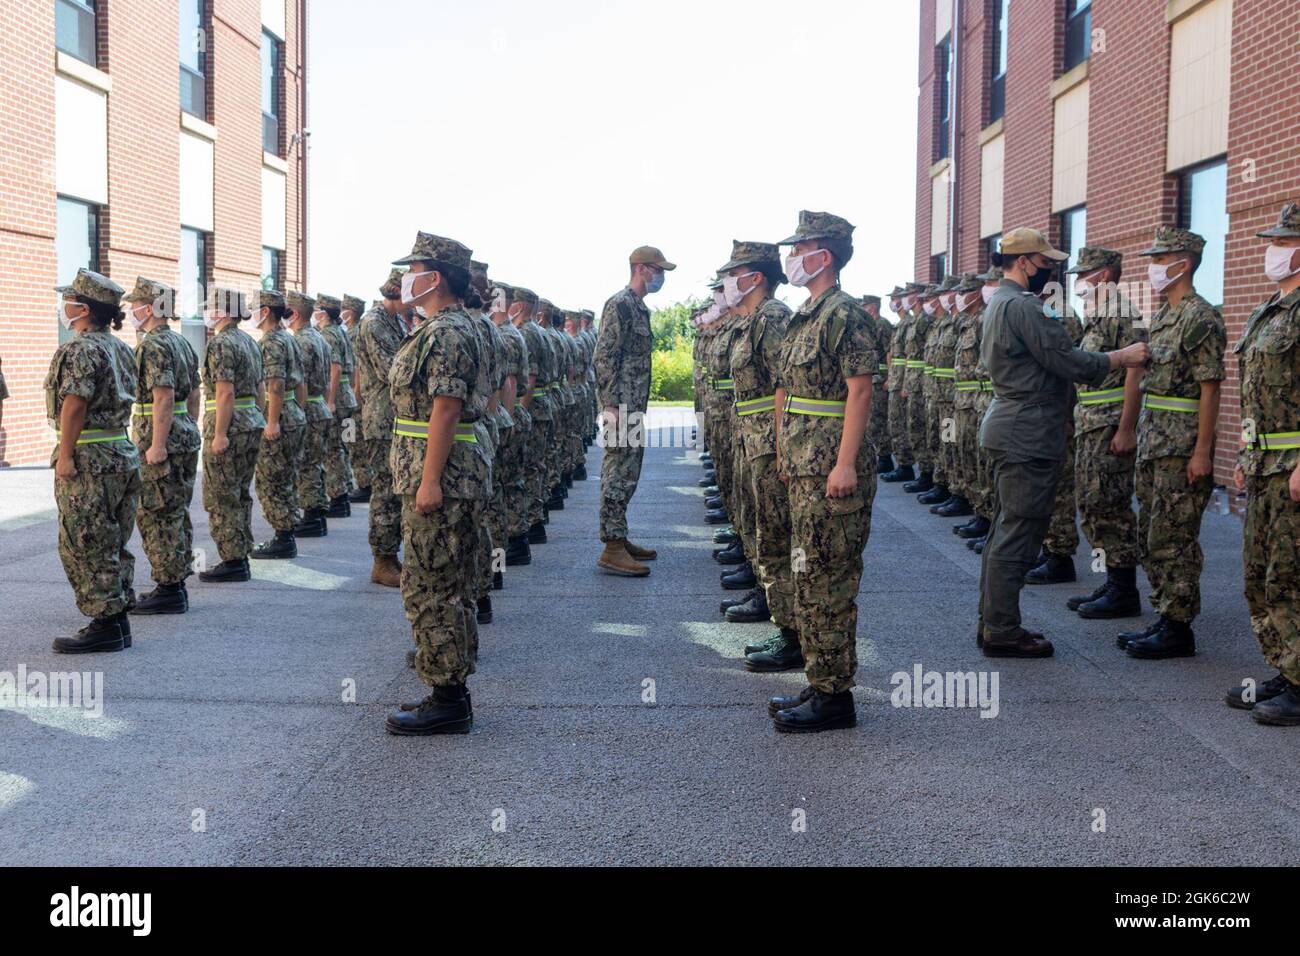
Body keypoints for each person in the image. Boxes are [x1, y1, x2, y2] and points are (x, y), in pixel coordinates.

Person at [976, 228, 1149, 658]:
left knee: (1005, 529)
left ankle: (993, 622)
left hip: (1013, 426)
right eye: (1045, 263)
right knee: (1017, 534)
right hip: (1027, 430)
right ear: (1024, 263)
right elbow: (1065, 360)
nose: (1052, 271)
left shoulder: (1000, 302)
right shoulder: (1024, 307)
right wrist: (1120, 358)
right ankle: (1002, 629)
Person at [766, 211, 882, 733]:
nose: (792, 257)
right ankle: (821, 680)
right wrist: (787, 456)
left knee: (830, 578)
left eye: (802, 247)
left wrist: (845, 463)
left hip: (831, 470)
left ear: (824, 256)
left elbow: (860, 390)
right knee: (808, 574)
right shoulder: (806, 313)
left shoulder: (845, 314)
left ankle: (836, 698)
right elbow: (788, 393)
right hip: (806, 467)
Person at [383, 232, 487, 736]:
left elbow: (445, 408)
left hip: (441, 477)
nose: (407, 276)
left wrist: (428, 482)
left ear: (436, 278)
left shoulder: (445, 332)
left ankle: (447, 698)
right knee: (451, 582)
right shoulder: (454, 326)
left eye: (415, 267)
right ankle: (450, 684)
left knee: (431, 584)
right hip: (451, 473)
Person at [1117, 227, 1225, 659]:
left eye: (1162, 257)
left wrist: (1202, 451)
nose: (1154, 266)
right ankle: (1165, 615)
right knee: (1155, 532)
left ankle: (1179, 627)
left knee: (1175, 536)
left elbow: (1210, 387)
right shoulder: (1164, 315)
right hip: (1155, 438)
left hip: (1180, 446)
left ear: (1184, 263)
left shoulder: (1199, 316)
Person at [1230, 201, 1300, 724]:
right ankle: (1285, 665)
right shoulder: (1267, 311)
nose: (1272, 251)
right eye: (1272, 242)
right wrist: (1241, 453)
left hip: (1293, 462)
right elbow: (1252, 395)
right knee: (1261, 573)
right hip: (1262, 463)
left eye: (1282, 242)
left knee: (1290, 572)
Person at [46, 269, 141, 652]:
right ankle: (116, 621)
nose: (63, 306)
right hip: (119, 453)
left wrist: (65, 455)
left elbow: (75, 404)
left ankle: (105, 622)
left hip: (89, 457)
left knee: (84, 541)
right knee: (112, 539)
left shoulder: (81, 348)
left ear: (82, 308)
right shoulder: (120, 347)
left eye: (68, 300)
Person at [1060, 247, 1145, 618]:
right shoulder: (1099, 315)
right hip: (1092, 423)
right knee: (1093, 504)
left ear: (1106, 274)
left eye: (1087, 273)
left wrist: (1126, 428)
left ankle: (1124, 589)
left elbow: (1135, 372)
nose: (1080, 281)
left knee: (1110, 504)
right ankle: (1110, 582)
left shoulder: (1122, 312)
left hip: (1110, 424)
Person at [594, 245, 674, 576]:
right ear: (641, 268)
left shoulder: (639, 308)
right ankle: (612, 546)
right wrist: (609, 405)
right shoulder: (620, 305)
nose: (662, 277)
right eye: (659, 270)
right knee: (617, 472)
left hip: (634, 405)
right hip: (621, 406)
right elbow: (604, 356)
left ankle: (619, 535)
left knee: (629, 472)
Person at [125, 277, 202, 612]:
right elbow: (195, 392)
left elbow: (163, 395)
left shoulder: (154, 345)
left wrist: (157, 444)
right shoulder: (181, 342)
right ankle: (175, 584)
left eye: (136, 304)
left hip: (163, 442)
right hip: (182, 435)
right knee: (175, 512)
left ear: (152, 307)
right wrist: (190, 427)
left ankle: (168, 589)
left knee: (158, 514)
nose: (131, 310)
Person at [197, 287, 265, 584]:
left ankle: (233, 559)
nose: (207, 312)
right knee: (239, 492)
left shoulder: (221, 344)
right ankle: (240, 551)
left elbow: (224, 391)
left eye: (211, 307)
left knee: (221, 495)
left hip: (229, 424)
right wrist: (257, 417)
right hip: (250, 421)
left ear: (223, 312)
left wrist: (220, 434)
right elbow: (261, 388)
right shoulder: (249, 341)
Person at [354, 271, 411, 586]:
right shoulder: (374, 322)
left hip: (395, 415)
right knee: (385, 490)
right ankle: (383, 561)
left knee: (395, 489)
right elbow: (390, 370)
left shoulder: (398, 320)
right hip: (382, 418)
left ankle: (392, 556)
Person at [250, 289, 308, 560]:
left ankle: (283, 537)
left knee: (271, 480)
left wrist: (271, 421)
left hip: (280, 415)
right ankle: (286, 533)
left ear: (265, 312)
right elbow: (302, 383)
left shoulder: (271, 342)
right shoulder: (290, 338)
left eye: (254, 308)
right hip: (293, 412)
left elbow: (275, 384)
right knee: (286, 477)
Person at [288, 291, 331, 538]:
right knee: (315, 462)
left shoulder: (302, 341)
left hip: (308, 407)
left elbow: (299, 381)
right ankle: (317, 515)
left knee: (307, 465)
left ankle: (312, 516)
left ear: (294, 314)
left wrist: (298, 413)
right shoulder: (318, 337)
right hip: (319, 405)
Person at [315, 294, 358, 518]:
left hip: (337, 400)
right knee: (342, 446)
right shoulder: (340, 333)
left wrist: (330, 400)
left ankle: (338, 496)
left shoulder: (328, 335)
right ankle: (343, 492)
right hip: (346, 397)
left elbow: (336, 368)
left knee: (333, 449)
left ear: (324, 313)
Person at [342, 294, 372, 503]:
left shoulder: (353, 334)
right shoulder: (354, 332)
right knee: (350, 438)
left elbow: (358, 367)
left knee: (353, 440)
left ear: (349, 313)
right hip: (354, 396)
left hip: (354, 397)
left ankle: (364, 483)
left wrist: (357, 392)